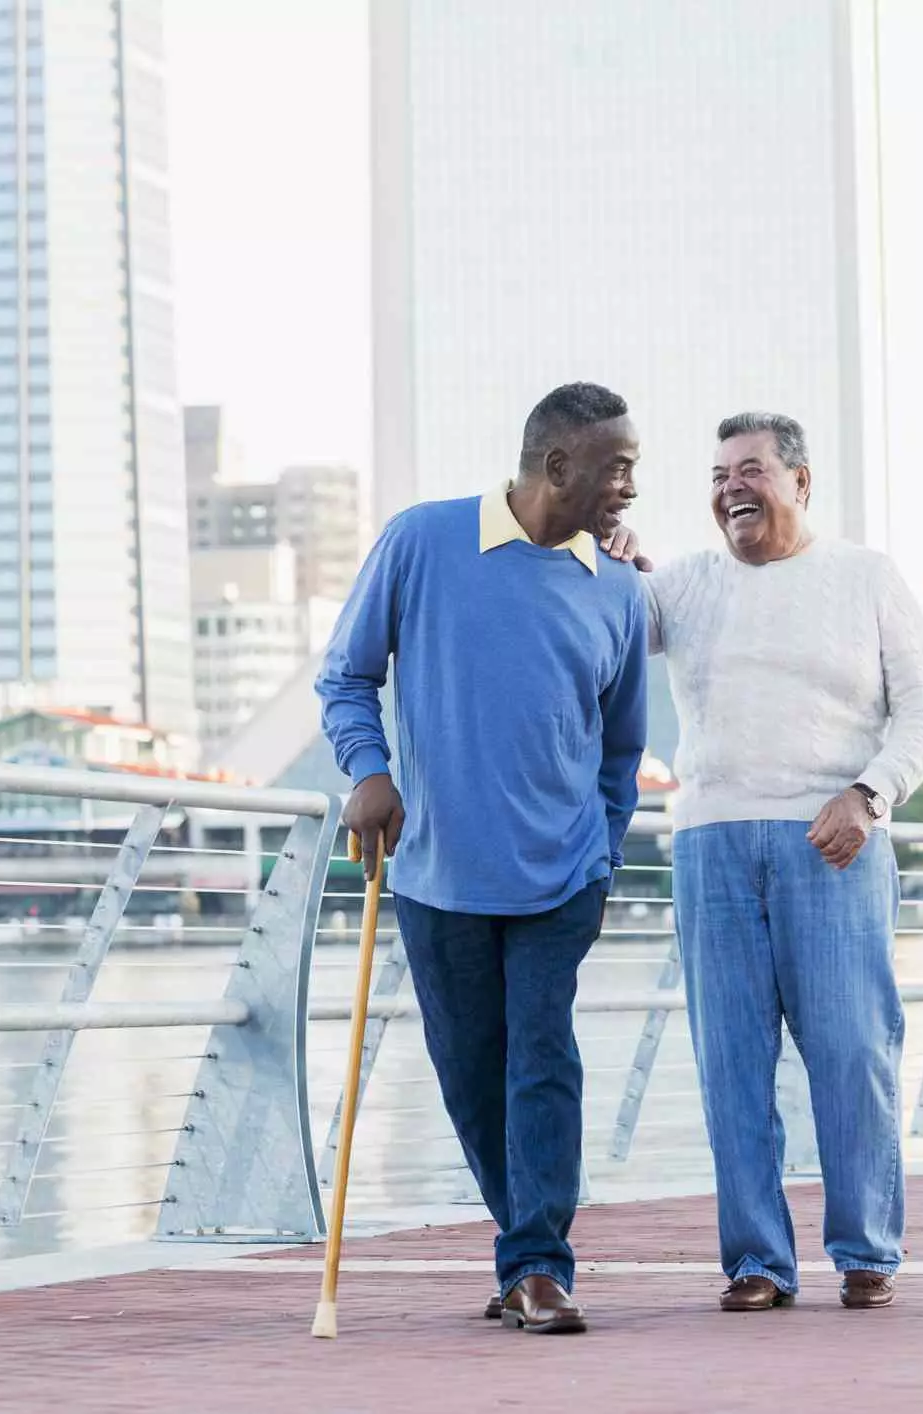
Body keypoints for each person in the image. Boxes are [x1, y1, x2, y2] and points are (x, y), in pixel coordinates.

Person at [314, 382, 649, 1336]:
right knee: (469, 1072)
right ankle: (522, 1251)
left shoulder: (617, 588)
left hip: (563, 877)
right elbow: (345, 675)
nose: (629, 486)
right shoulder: (421, 541)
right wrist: (369, 770)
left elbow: (619, 748)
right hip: (436, 874)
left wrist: (606, 848)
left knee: (542, 1061)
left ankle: (540, 1265)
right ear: (557, 466)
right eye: (616, 467)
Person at [614, 411, 923, 1312]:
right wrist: (612, 553)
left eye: (751, 470)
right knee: (731, 1062)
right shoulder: (681, 585)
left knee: (851, 1050)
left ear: (801, 483)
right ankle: (757, 1261)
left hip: (830, 839)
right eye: (720, 473)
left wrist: (869, 794)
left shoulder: (865, 577)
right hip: (711, 838)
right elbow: (603, 624)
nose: (731, 487)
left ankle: (867, 1249)